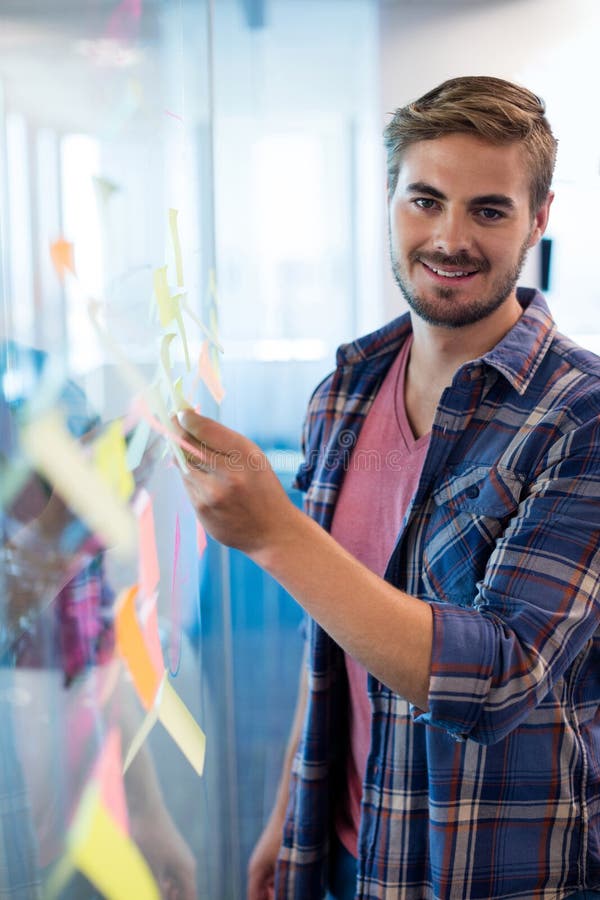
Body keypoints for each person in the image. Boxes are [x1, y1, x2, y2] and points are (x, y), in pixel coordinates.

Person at [174, 75, 600, 899]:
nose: (449, 238)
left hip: (487, 875)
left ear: (539, 218)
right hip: (345, 851)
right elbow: (331, 640)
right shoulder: (347, 391)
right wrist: (286, 814)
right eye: (425, 199)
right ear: (389, 199)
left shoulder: (580, 418)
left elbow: (498, 678)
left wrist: (274, 533)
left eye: (489, 209)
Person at [0, 339, 197, 899]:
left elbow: (87, 638)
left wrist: (145, 810)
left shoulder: (39, 381)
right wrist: (61, 533)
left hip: (75, 819)